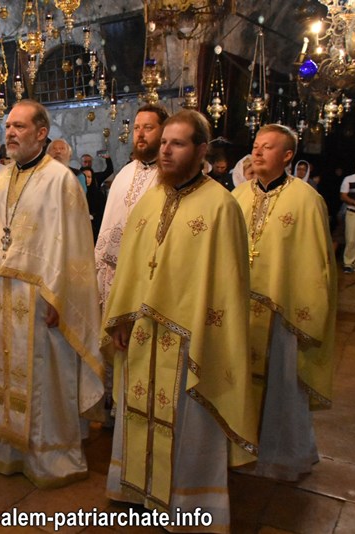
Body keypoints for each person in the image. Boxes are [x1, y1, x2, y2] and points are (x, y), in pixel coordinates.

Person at [102, 111, 257, 532]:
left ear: (201, 151)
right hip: (142, 334)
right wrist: (119, 318)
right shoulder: (150, 199)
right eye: (164, 142)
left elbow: (226, 284)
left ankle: (184, 502)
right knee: (137, 409)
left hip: (190, 340)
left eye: (178, 144)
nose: (165, 150)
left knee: (186, 427)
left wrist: (205, 334)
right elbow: (131, 265)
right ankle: (135, 489)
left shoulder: (221, 206)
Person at [0, 99, 103, 488]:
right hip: (6, 295)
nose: (9, 133)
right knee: (5, 372)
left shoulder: (59, 179)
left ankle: (47, 458)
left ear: (41, 133)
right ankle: (6, 452)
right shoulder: (1, 179)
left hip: (43, 298)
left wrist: (63, 298)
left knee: (45, 376)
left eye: (19, 127)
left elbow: (73, 245)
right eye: (8, 126)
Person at [233, 124, 336, 482]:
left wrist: (307, 308)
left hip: (283, 311)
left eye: (267, 148)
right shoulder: (238, 197)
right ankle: (240, 447)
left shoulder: (307, 200)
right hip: (239, 309)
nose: (257, 153)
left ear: (288, 156)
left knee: (282, 384)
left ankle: (281, 455)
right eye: (255, 146)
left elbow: (316, 262)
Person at [95, 104, 168, 313]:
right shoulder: (124, 174)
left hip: (149, 274)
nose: (141, 134)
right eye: (136, 128)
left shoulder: (169, 176)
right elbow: (108, 224)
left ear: (163, 131)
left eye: (148, 127)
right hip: (115, 274)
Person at [81, 166, 105, 243]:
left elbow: (102, 212)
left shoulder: (98, 194)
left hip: (94, 229)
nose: (87, 179)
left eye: (89, 177)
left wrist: (92, 217)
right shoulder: (75, 194)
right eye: (84, 177)